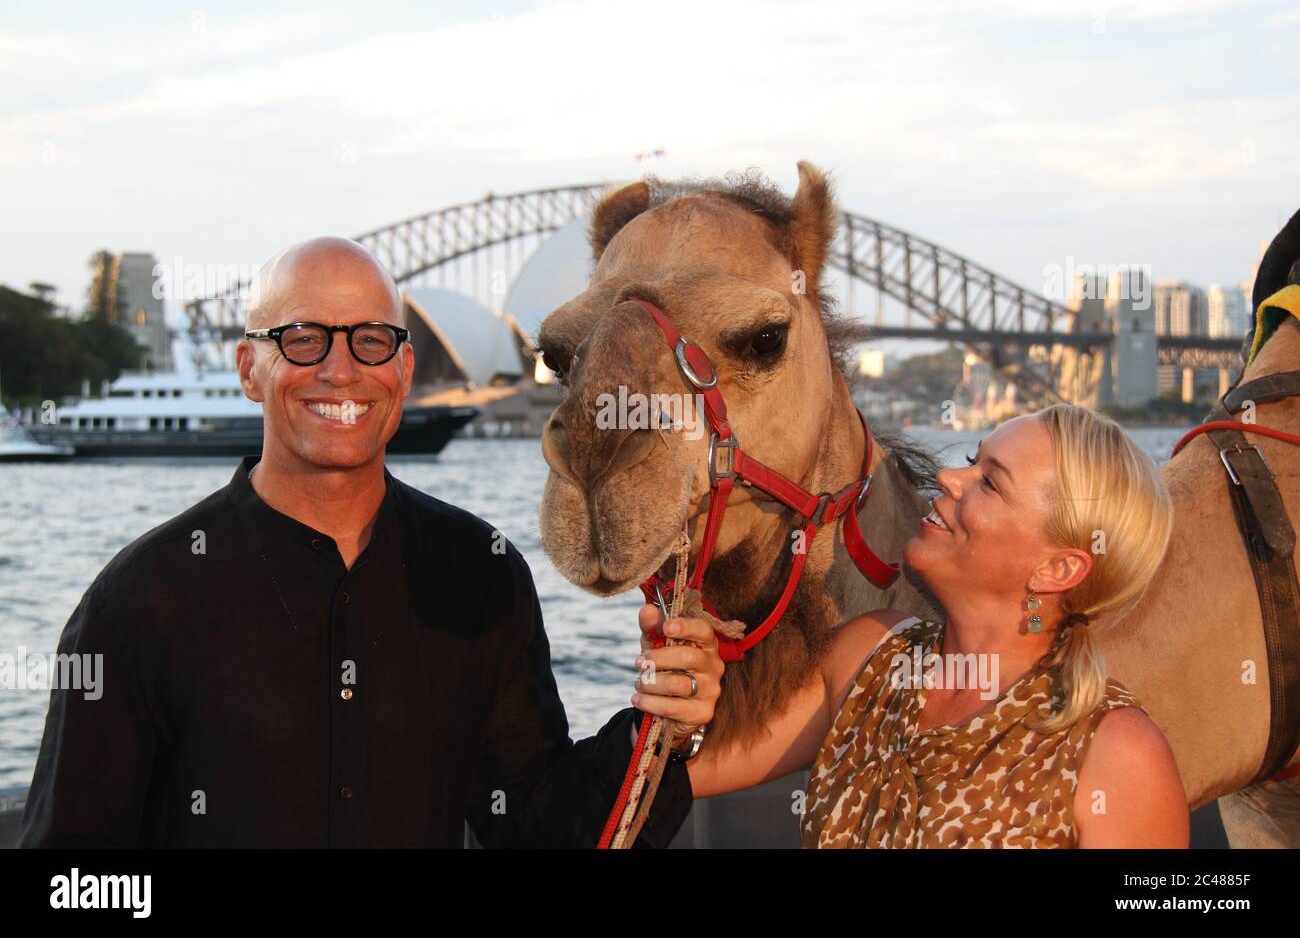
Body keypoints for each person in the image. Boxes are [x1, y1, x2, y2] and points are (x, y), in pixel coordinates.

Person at [19, 236, 723, 848]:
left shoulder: (479, 574)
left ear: (404, 369)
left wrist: (660, 725)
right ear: (247, 370)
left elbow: (535, 825)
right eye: (302, 338)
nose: (340, 369)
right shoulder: (140, 601)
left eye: (371, 339)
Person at [651, 404, 1188, 847]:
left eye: (990, 484)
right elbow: (674, 779)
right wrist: (691, 703)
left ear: (1058, 569)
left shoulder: (1116, 751)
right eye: (972, 461)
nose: (950, 477)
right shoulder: (869, 656)